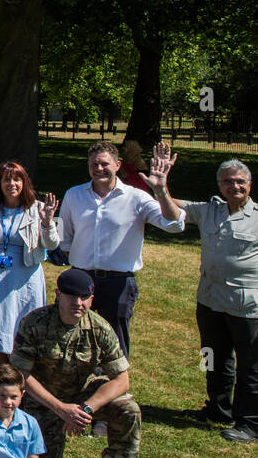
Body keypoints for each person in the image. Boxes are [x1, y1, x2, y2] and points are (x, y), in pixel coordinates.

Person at [10, 267, 152, 458]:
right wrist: (61, 409)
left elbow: (121, 379)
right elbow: (21, 374)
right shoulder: (35, 322)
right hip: (42, 400)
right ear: (58, 295)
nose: (78, 303)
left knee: (127, 408)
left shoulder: (100, 328)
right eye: (71, 296)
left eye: (84, 298)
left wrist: (87, 409)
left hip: (81, 398)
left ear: (91, 299)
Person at [149, 150, 258, 442]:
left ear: (249, 184)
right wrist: (161, 188)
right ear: (219, 185)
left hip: (247, 306)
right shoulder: (210, 210)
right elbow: (172, 212)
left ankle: (249, 422)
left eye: (239, 181)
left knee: (250, 365)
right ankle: (218, 409)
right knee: (213, 357)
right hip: (210, 300)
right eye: (227, 182)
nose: (233, 186)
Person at [56, 140, 183, 358]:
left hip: (119, 283)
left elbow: (174, 224)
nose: (98, 169)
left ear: (118, 165)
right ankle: (75, 387)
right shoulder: (74, 195)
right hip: (80, 280)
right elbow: (64, 239)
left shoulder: (137, 198)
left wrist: (161, 190)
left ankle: (114, 387)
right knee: (73, 337)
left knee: (114, 342)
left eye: (104, 164)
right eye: (93, 165)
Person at [0, 161, 60, 370]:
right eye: (6, 179)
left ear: (24, 182)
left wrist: (47, 223)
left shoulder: (38, 208)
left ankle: (22, 384)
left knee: (23, 328)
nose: (11, 184)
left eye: (16, 179)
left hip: (24, 276)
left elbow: (51, 244)